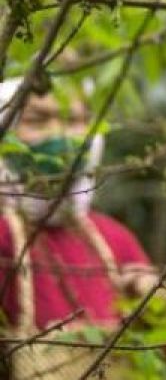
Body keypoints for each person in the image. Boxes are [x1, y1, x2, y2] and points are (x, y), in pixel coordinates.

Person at [0, 77, 157, 375]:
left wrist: (157, 306)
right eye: (38, 120)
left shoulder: (115, 239)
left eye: (75, 121)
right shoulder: (3, 238)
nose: (61, 136)